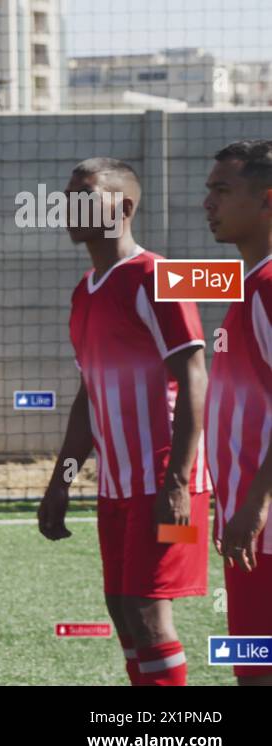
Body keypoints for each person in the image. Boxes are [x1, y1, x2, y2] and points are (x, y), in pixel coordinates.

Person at [38, 157, 209, 686]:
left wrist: (177, 483)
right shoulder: (83, 291)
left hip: (171, 487)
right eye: (66, 196)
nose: (68, 206)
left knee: (148, 614)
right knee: (121, 609)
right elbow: (88, 398)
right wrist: (61, 482)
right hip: (117, 488)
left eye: (83, 195)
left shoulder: (159, 277)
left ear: (124, 207)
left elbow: (195, 377)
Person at [203, 139, 272, 686]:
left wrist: (253, 505)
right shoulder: (246, 287)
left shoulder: (269, 288)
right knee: (249, 667)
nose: (208, 203)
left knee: (255, 672)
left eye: (221, 191)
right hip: (249, 527)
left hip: (263, 527)